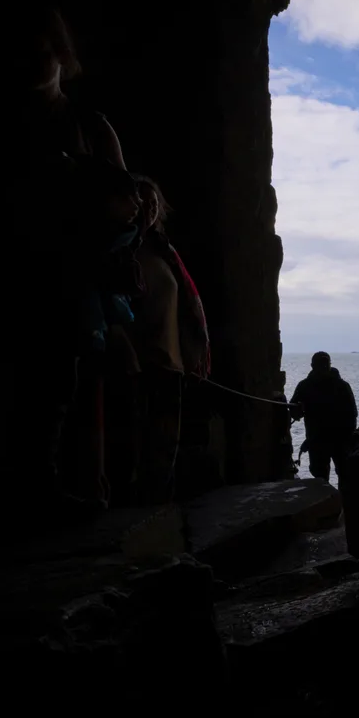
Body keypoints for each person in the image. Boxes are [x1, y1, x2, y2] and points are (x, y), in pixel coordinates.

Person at [0, 2, 141, 527]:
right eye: (21, 54)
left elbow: (125, 208)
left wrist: (78, 181)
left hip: (63, 278)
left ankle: (37, 494)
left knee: (52, 394)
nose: (32, 64)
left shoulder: (87, 126)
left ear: (62, 56)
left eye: (43, 53)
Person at [120, 175, 211, 505]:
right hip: (132, 364)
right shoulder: (119, 251)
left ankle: (156, 520)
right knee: (132, 447)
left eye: (154, 203)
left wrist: (191, 354)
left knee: (163, 449)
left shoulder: (165, 254)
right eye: (141, 201)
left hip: (168, 364)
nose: (148, 208)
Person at [289, 352, 357, 487]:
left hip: (319, 439)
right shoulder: (342, 385)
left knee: (321, 477)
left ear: (312, 366)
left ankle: (330, 505)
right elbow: (352, 414)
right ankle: (343, 505)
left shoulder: (305, 386)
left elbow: (294, 412)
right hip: (338, 439)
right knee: (343, 474)